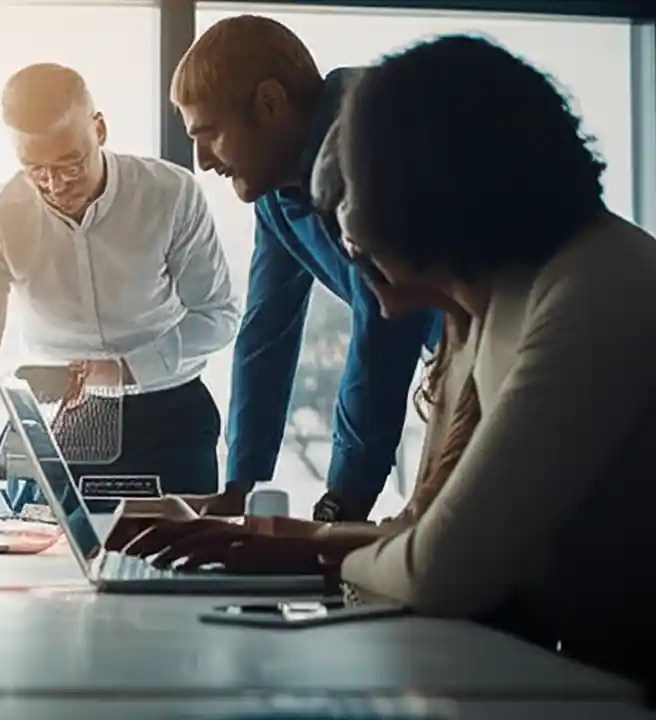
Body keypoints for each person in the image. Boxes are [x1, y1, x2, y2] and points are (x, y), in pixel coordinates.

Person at [144, 35, 656, 686]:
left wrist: (320, 546)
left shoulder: (592, 291)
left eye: (349, 190)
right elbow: (423, 530)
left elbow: (440, 567)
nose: (339, 224)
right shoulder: (487, 308)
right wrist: (281, 536)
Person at [0, 63, 237, 523]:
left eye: (70, 163)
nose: (56, 185)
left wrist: (126, 369)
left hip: (167, 413)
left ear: (99, 129)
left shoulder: (170, 194)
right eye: (35, 169)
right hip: (60, 417)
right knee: (46, 563)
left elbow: (218, 314)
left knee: (173, 562)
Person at [170, 16, 441, 521]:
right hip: (453, 366)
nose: (202, 161)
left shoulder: (370, 138)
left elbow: (383, 320)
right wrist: (240, 487)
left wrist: (343, 501)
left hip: (511, 348)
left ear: (270, 103)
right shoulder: (275, 188)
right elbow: (266, 330)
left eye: (209, 135)